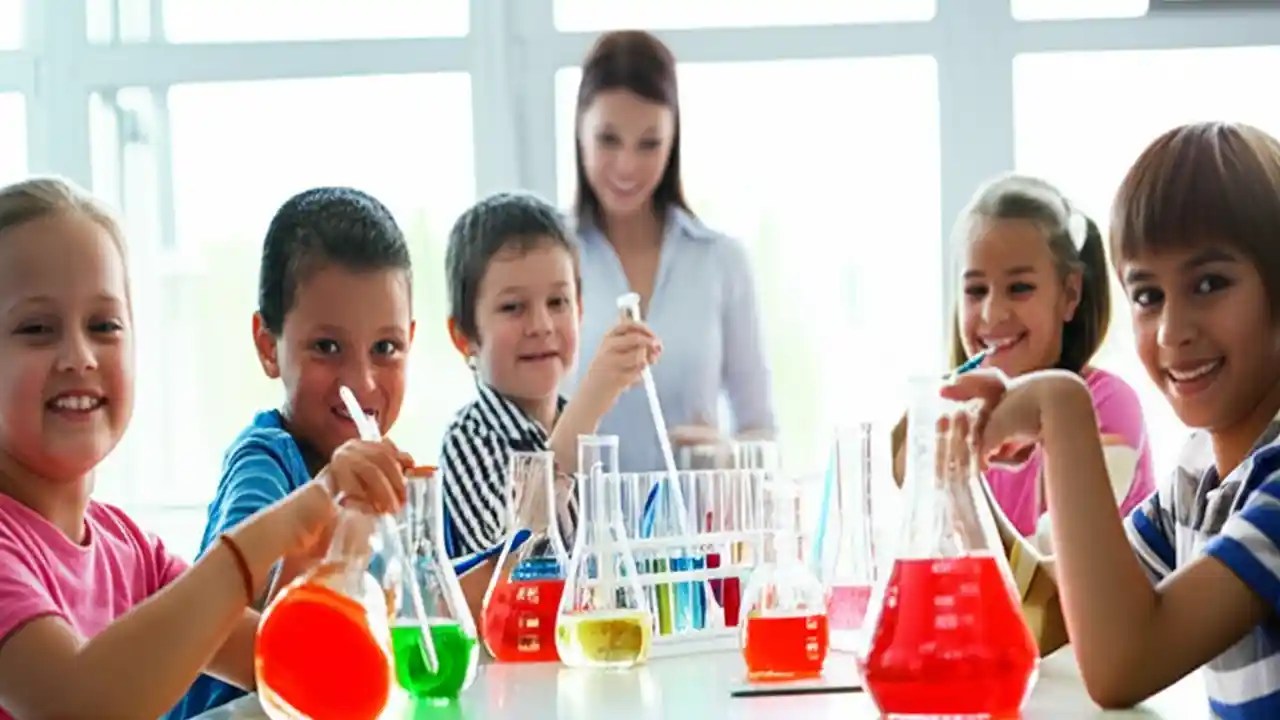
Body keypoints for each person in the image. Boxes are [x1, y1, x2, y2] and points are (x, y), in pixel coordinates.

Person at [0, 177, 407, 720]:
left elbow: (303, 673)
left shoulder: (133, 555)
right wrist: (281, 526)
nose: (80, 357)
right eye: (36, 328)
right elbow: (77, 707)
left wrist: (338, 550)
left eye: (104, 326)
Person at [945, 122, 1280, 716]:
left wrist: (1060, 406)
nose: (1173, 332)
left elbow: (1124, 665)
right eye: (1148, 296)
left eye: (1209, 284)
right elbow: (1045, 611)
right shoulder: (1198, 477)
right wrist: (958, 473)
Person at [169, 186, 418, 718]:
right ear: (267, 345)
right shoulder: (265, 458)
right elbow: (225, 612)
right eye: (328, 347)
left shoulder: (380, 478)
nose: (363, 381)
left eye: (386, 348)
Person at [894, 174, 1155, 548]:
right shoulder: (963, 420)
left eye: (1019, 288)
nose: (992, 313)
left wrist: (959, 487)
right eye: (975, 290)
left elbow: (1046, 572)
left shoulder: (1106, 405)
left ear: (1069, 294)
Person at [440, 191, 661, 620]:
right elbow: (516, 567)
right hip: (509, 681)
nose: (540, 326)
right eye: (513, 307)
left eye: (557, 303)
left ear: (578, 311)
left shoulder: (585, 434)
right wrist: (588, 406)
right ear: (464, 336)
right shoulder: (469, 440)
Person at [563, 29, 775, 472]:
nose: (627, 166)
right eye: (608, 139)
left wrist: (726, 455)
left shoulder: (721, 262)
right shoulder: (553, 260)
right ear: (580, 129)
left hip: (699, 532)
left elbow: (763, 433)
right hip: (583, 533)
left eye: (649, 143)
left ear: (673, 139)